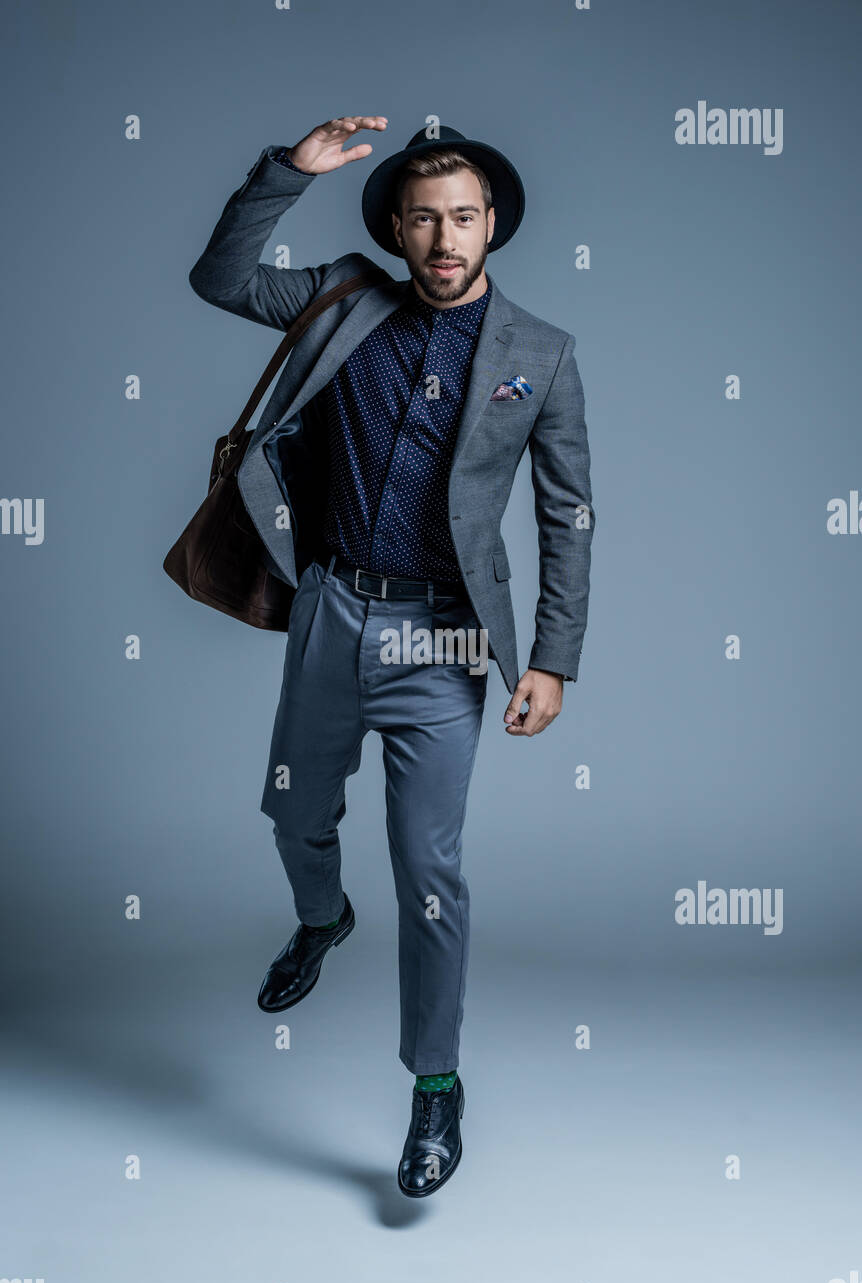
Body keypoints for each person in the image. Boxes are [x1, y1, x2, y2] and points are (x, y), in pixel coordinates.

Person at [188, 116, 595, 1197]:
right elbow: (219, 278)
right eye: (424, 219)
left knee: (429, 870)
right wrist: (287, 173)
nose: (444, 238)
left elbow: (567, 517)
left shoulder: (541, 354)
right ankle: (323, 919)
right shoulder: (342, 299)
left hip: (446, 633)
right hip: (331, 606)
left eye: (462, 217)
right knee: (292, 812)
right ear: (397, 229)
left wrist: (552, 658)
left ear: (492, 223)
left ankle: (435, 1087)